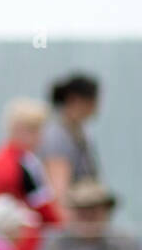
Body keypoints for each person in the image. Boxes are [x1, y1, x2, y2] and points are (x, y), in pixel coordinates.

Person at [0, 98, 60, 250]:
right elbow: (44, 208)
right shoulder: (26, 162)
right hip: (22, 247)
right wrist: (64, 227)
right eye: (36, 131)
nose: (40, 138)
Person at [39, 74, 100, 207]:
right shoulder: (57, 135)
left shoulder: (81, 132)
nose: (96, 107)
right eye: (92, 101)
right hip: (73, 214)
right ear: (75, 100)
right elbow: (58, 188)